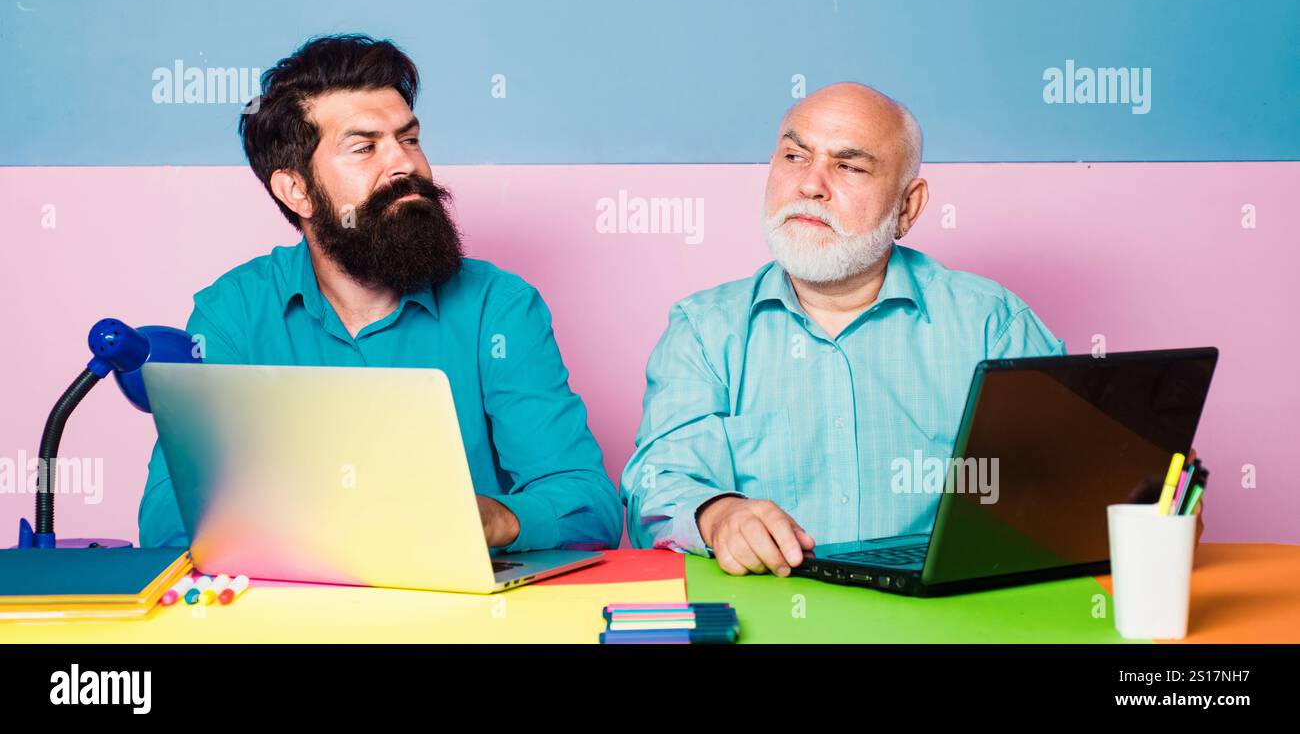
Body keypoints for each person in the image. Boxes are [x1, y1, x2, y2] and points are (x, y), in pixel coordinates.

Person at [139, 34, 622, 552]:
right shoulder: (232, 315)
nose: (406, 165)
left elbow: (589, 505)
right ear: (296, 190)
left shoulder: (498, 308)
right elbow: (172, 519)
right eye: (365, 148)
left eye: (409, 139)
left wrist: (496, 520)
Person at [622, 82, 1078, 576]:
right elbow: (658, 484)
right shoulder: (704, 331)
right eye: (795, 157)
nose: (811, 184)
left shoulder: (994, 325)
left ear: (908, 206)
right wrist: (718, 515)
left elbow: (1067, 485)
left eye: (850, 166)